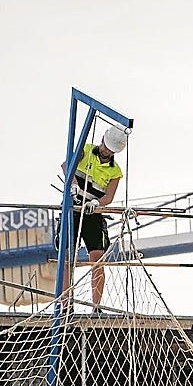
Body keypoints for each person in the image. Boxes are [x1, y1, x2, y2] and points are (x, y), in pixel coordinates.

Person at [61, 126, 127, 309]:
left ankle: (96, 306)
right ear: (102, 140)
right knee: (66, 258)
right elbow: (66, 165)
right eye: (105, 146)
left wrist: (97, 203)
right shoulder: (86, 150)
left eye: (110, 150)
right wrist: (73, 184)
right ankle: (65, 304)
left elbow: (109, 197)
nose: (105, 151)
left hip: (93, 214)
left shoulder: (115, 171)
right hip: (72, 209)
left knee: (97, 259)